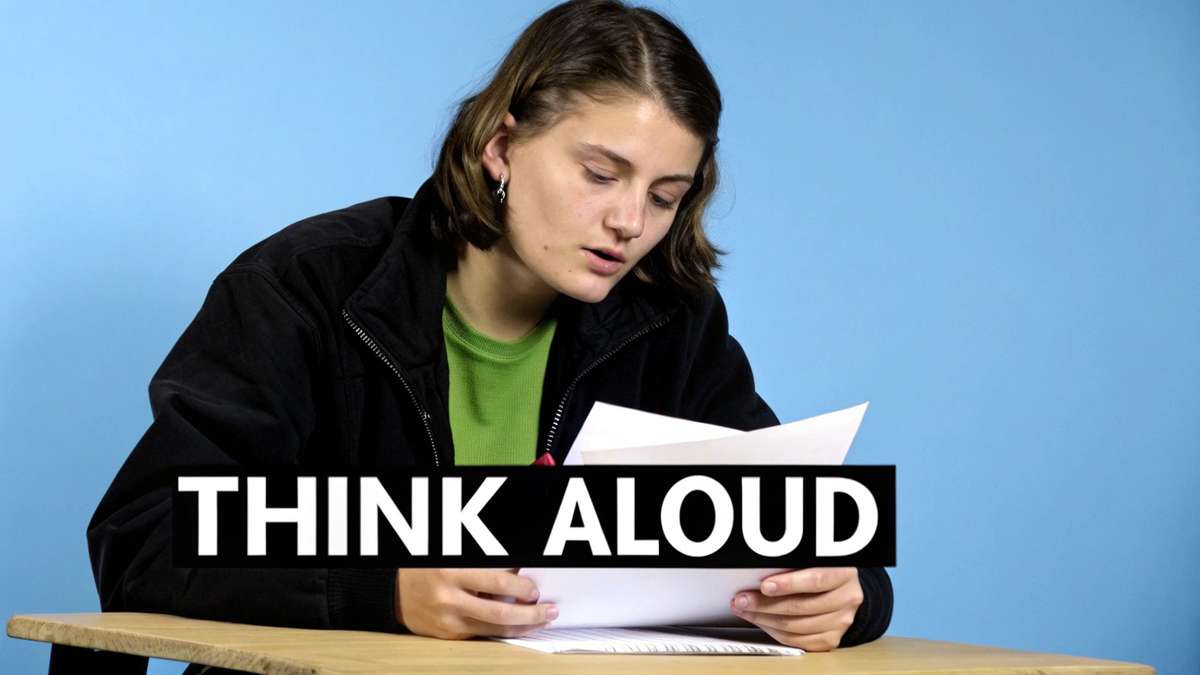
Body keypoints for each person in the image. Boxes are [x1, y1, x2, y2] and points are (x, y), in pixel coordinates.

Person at [87, 0, 892, 664]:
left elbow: (805, 526)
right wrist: (383, 590)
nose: (627, 221)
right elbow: (142, 537)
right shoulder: (305, 287)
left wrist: (844, 591)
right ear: (501, 146)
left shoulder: (671, 321)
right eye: (601, 174)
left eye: (664, 195)